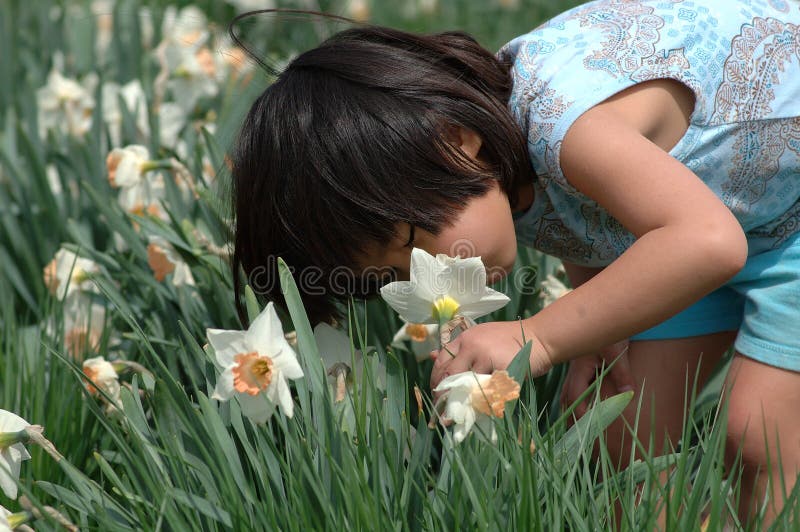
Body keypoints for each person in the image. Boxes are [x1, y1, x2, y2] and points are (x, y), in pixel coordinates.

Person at [229, 0, 800, 524]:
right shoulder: (499, 173)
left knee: (757, 434)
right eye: (393, 276)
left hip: (775, 219)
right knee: (627, 432)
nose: (430, 273)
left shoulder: (569, 127)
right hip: (712, 217)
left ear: (455, 141)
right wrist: (594, 328)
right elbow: (589, 218)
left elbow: (708, 242)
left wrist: (543, 336)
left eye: (411, 239)